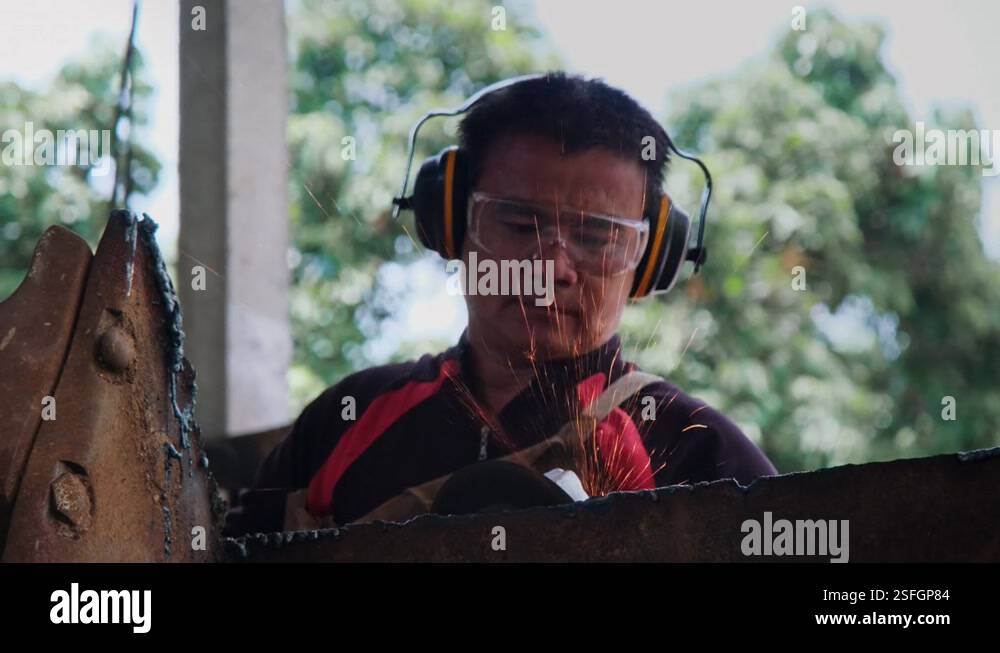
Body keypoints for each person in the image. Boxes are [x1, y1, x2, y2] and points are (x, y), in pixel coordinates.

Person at [246, 72, 776, 529]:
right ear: (452, 223)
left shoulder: (696, 451)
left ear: (649, 260)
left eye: (598, 238)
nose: (553, 268)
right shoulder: (347, 420)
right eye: (520, 224)